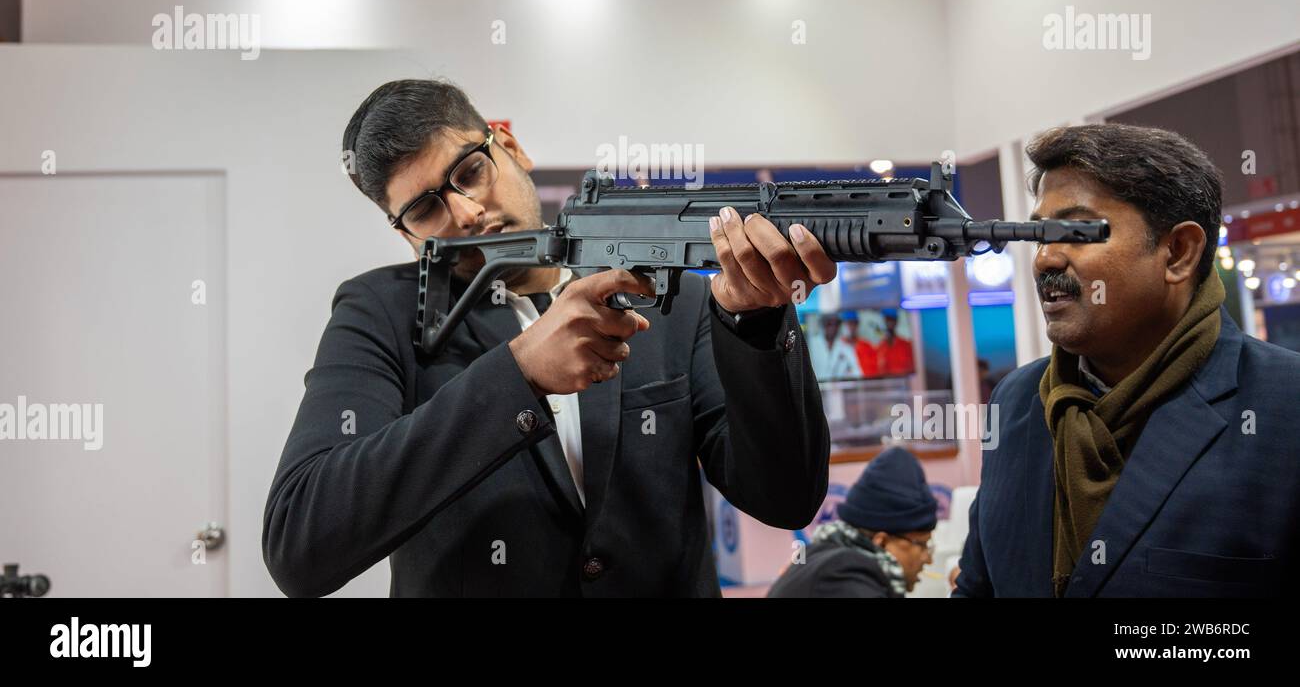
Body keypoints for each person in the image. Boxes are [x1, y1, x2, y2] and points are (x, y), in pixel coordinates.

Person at [263, 79, 838, 597]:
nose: (465, 213)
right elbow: (300, 544)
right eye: (422, 209)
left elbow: (785, 498)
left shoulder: (668, 296)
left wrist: (755, 324)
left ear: (510, 150)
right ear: (403, 231)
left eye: (469, 172)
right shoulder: (382, 312)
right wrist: (518, 375)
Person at [954, 123, 1300, 597]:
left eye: (1075, 230)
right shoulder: (1018, 402)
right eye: (1039, 234)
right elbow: (978, 587)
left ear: (1178, 252)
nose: (1044, 260)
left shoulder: (1285, 408)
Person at [767, 447, 936, 597]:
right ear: (881, 542)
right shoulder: (844, 579)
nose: (928, 559)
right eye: (921, 545)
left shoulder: (826, 558)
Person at [808, 314, 859, 381]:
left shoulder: (845, 346)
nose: (833, 327)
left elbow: (857, 372)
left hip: (839, 389)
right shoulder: (812, 344)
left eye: (836, 324)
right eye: (829, 324)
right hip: (816, 388)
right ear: (823, 325)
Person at [875, 308, 914, 375]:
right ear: (884, 321)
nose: (889, 323)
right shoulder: (879, 348)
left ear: (896, 321)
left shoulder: (907, 345)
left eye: (892, 319)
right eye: (887, 319)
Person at [840, 311, 879, 378]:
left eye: (854, 323)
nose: (852, 327)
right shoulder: (838, 346)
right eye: (849, 323)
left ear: (857, 324)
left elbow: (874, 371)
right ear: (844, 324)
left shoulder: (867, 346)